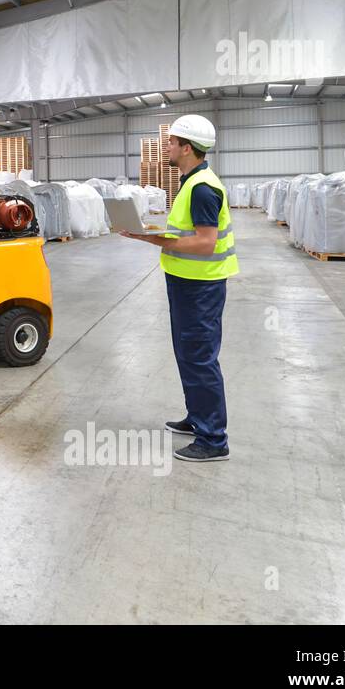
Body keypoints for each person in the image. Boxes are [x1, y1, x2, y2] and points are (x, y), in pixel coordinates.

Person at [118, 115, 238, 462]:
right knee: (187, 354)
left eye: (172, 142)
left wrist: (152, 239)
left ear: (187, 148)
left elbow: (205, 243)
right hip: (186, 283)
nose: (167, 147)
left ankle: (214, 440)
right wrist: (150, 233)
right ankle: (198, 418)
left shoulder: (202, 188)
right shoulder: (190, 182)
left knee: (200, 358)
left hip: (201, 287)